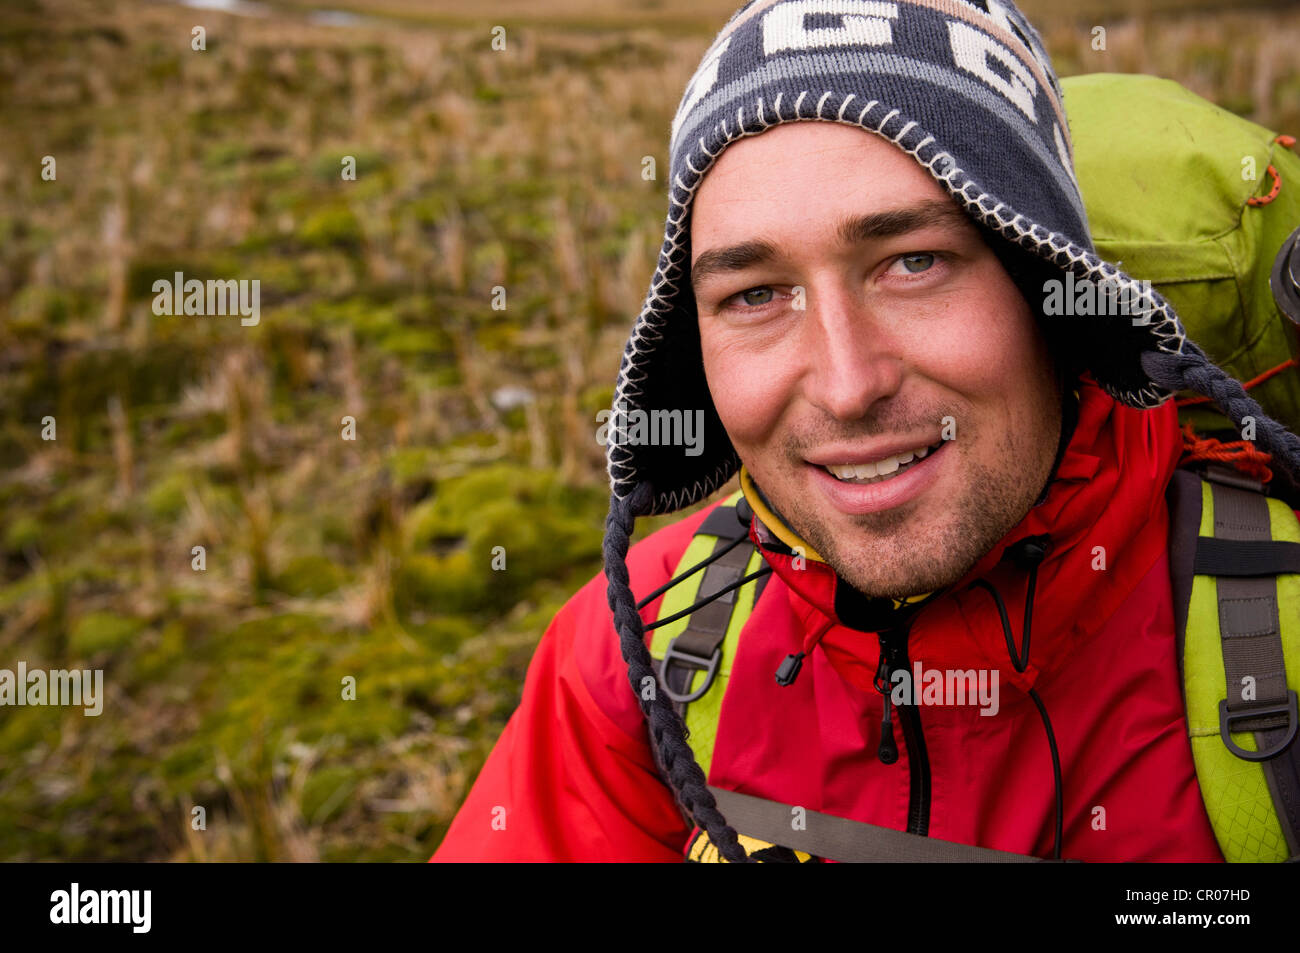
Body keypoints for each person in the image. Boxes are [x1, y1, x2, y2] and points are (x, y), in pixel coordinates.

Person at [431, 0, 1300, 862]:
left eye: (913, 263)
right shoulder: (633, 655)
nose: (847, 387)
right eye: (755, 294)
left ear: (1051, 288)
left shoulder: (1281, 633)